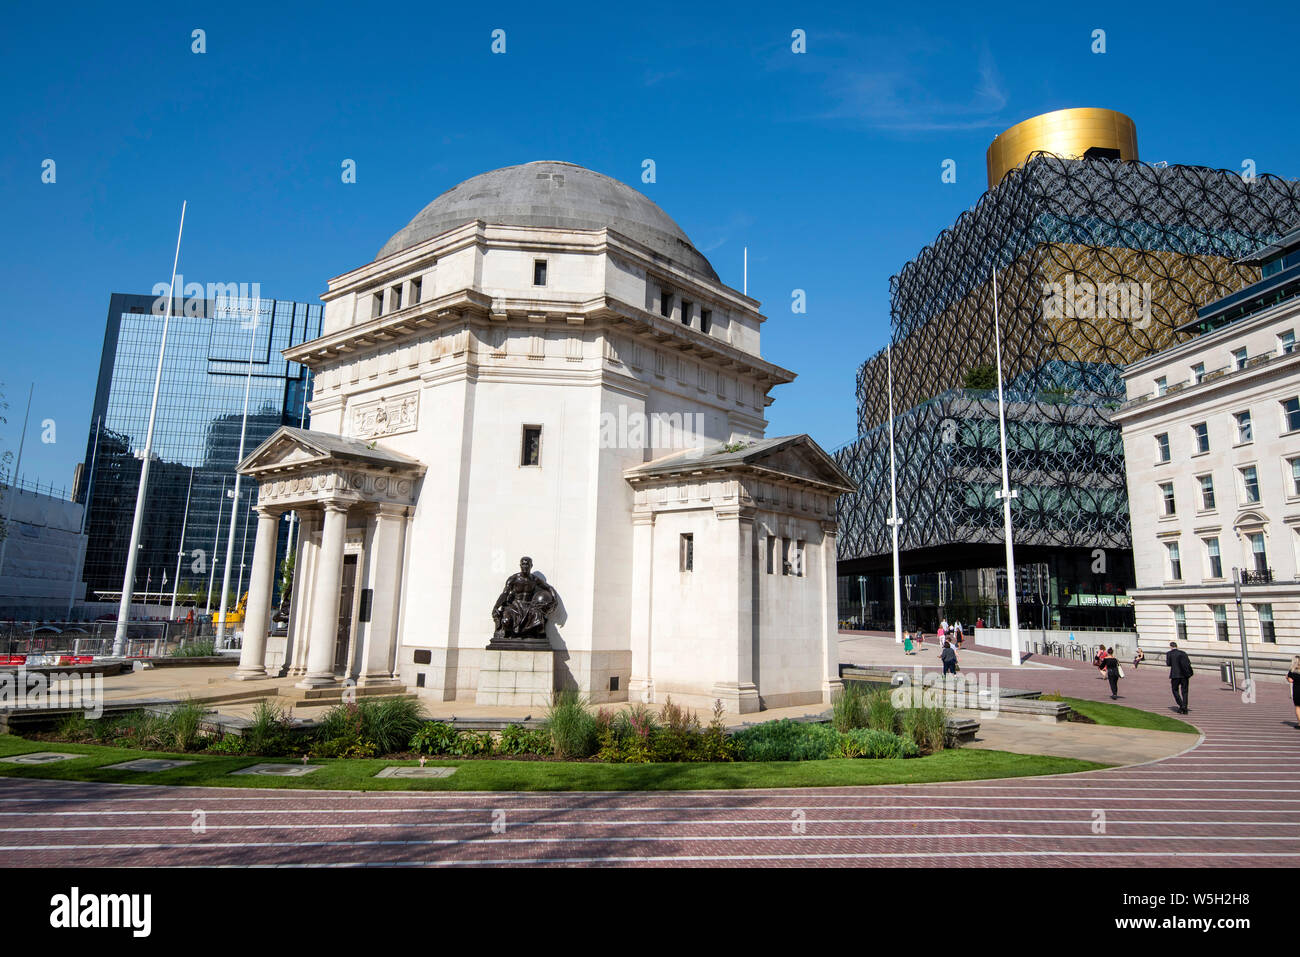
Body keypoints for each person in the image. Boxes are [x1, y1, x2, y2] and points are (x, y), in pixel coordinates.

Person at [1166, 641, 1193, 714]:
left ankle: (1181, 705)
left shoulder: (1169, 653)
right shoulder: (1183, 653)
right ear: (1177, 646)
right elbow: (1188, 663)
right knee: (1185, 691)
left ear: (1171, 647)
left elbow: (1168, 664)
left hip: (1175, 675)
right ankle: (1184, 706)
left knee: (1175, 690)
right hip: (1184, 675)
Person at [1287, 656, 1300, 729]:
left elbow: (1290, 680)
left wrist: (1287, 677)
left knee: (1298, 707)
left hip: (1297, 691)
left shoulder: (1292, 670)